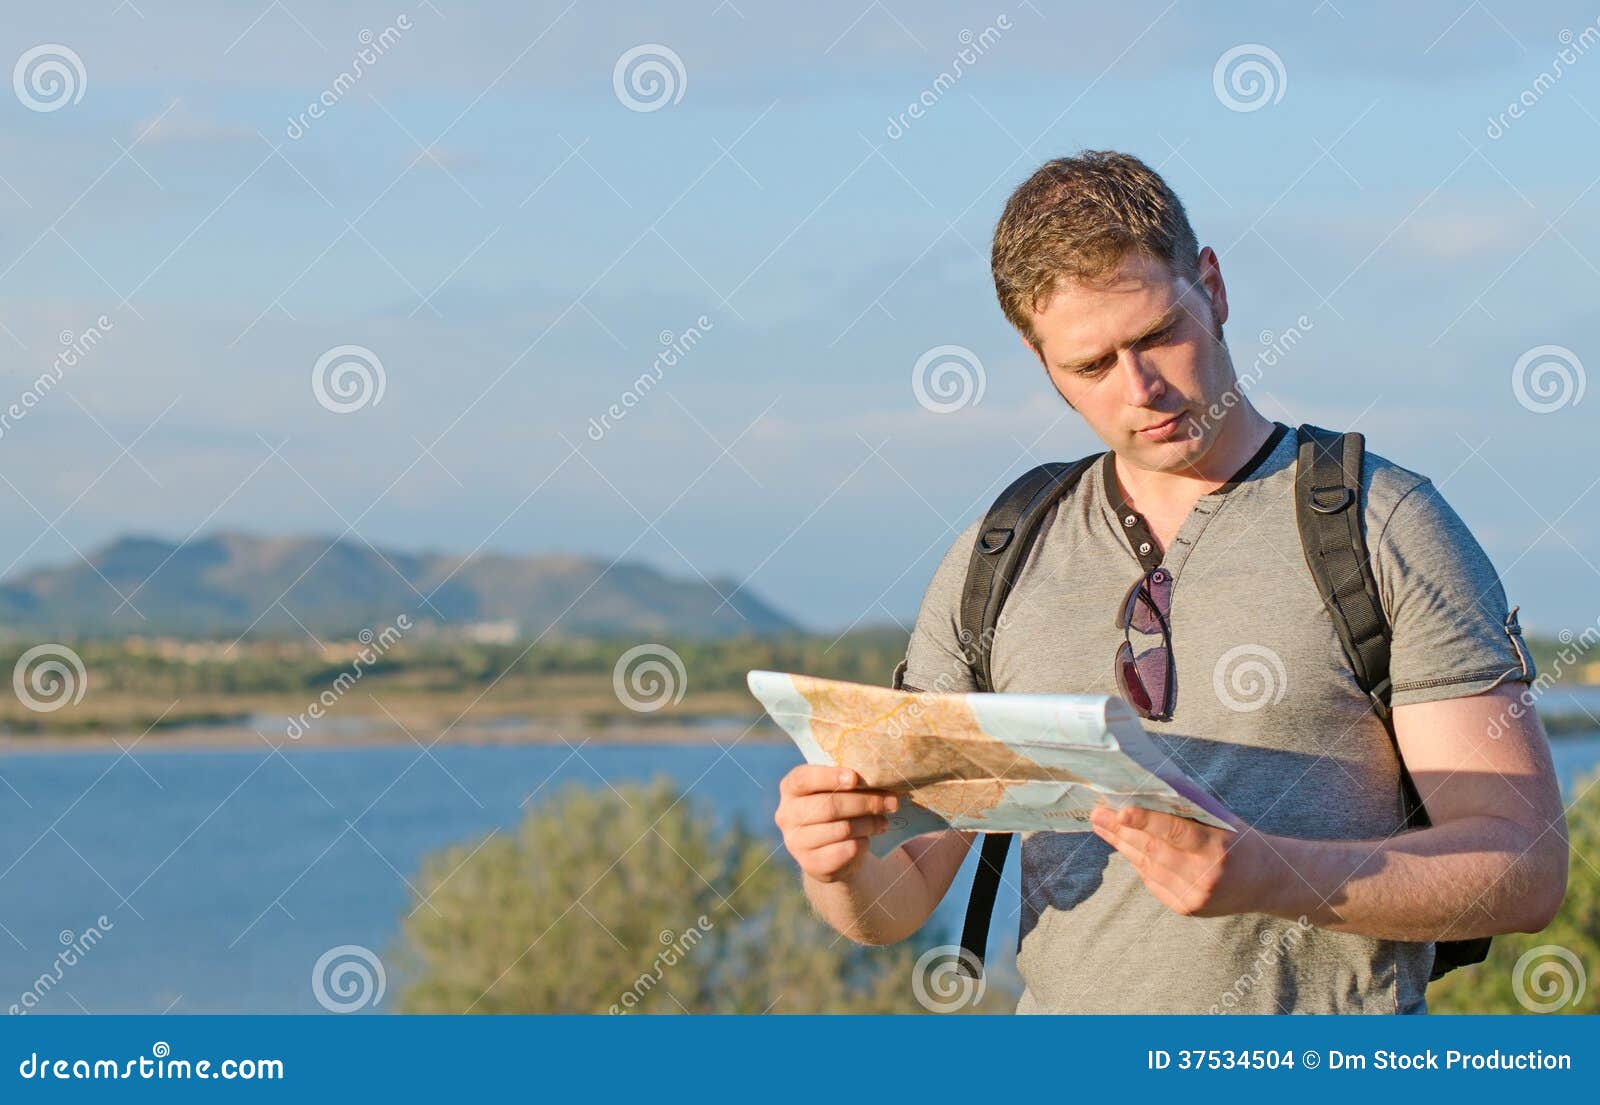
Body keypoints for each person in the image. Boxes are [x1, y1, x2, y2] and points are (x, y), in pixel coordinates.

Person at [772, 150, 1569, 1013]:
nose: (1141, 389)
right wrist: (839, 865)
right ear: (1041, 362)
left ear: (1213, 289)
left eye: (1158, 335)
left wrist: (1275, 874)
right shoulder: (998, 554)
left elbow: (1524, 867)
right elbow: (897, 900)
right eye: (1091, 366)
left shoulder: (1381, 524)